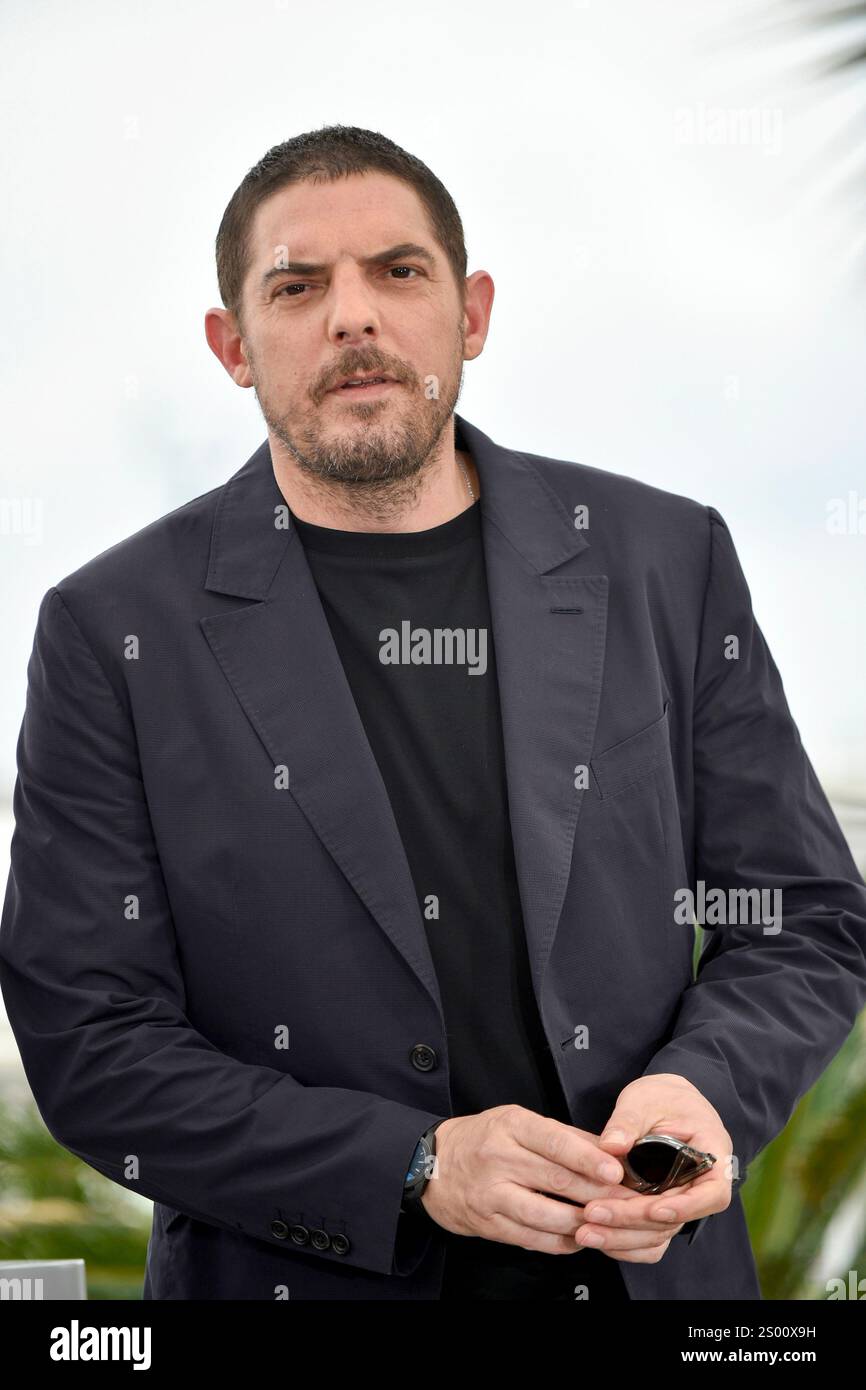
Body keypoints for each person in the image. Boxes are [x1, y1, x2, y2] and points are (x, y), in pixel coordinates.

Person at [2, 125, 865, 1302]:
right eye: (296, 286)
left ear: (471, 314)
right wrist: (410, 1164)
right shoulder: (110, 629)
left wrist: (702, 1091)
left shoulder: (665, 559)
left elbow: (802, 919)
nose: (351, 318)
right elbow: (90, 1040)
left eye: (397, 273)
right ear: (232, 346)